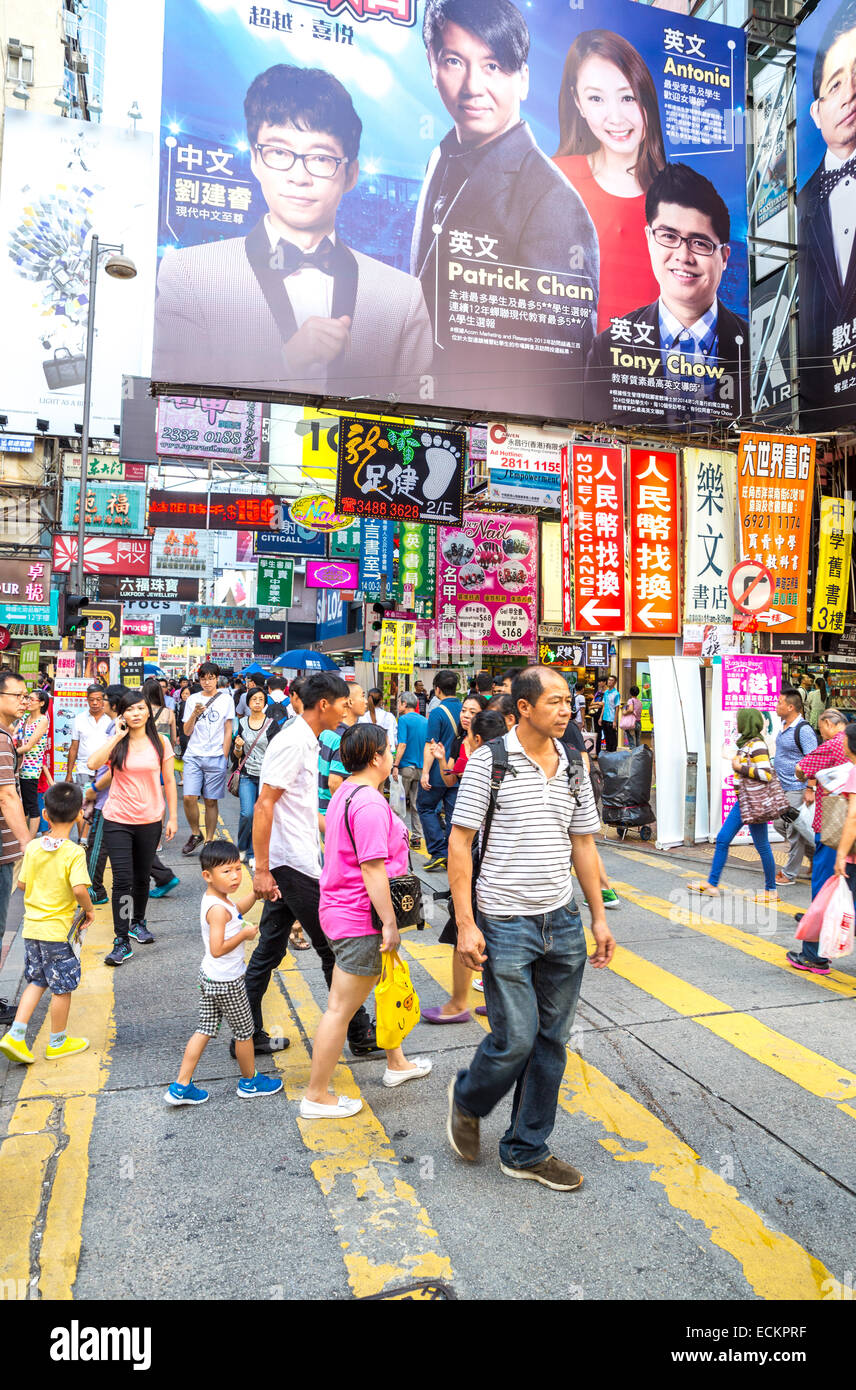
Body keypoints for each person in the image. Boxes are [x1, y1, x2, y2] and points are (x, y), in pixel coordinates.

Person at [154, 64, 433, 403]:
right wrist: (285, 363)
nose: (299, 176)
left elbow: (418, 428)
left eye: (320, 157)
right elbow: (172, 405)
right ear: (256, 160)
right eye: (280, 153)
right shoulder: (191, 275)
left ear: (351, 174)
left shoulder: (401, 298)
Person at [446, 666, 614, 1189]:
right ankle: (469, 1097)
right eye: (556, 702)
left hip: (561, 921)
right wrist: (468, 925)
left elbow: (583, 843)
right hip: (504, 921)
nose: (567, 710)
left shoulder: (572, 767)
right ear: (523, 708)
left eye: (569, 702)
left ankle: (525, 1148)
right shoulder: (487, 765)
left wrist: (599, 916)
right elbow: (459, 843)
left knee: (552, 1042)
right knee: (516, 1038)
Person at [412, 0, 599, 418]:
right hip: (432, 415)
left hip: (502, 441)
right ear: (431, 65)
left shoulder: (553, 202)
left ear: (524, 80)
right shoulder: (440, 158)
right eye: (454, 61)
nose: (473, 86)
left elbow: (561, 373)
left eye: (494, 66)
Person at [300, 724, 432, 1118]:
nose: (392, 755)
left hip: (343, 908)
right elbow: (373, 869)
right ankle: (316, 1095)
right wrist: (389, 924)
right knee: (340, 1008)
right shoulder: (370, 804)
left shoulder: (347, 791)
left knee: (383, 985)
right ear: (376, 756)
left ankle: (397, 1062)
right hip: (360, 917)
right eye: (388, 749)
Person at [246, 671, 380, 1058]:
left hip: (297, 859)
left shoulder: (308, 739)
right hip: (292, 866)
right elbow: (264, 805)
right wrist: (262, 869)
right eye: (343, 703)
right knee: (332, 948)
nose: (347, 710)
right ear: (324, 704)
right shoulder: (293, 742)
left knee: (269, 951)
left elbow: (299, 809)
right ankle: (359, 1033)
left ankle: (247, 1031)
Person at [586, 162, 750, 426]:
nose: (683, 256)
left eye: (699, 243)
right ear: (649, 239)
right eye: (669, 237)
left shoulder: (756, 350)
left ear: (724, 257)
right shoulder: (608, 349)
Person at [553, 29, 664, 331]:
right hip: (565, 370)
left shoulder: (678, 198)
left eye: (627, 97)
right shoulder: (554, 179)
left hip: (650, 371)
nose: (616, 117)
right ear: (578, 102)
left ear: (646, 97)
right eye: (596, 98)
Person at [164, 841, 282, 1105]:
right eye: (226, 872)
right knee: (244, 1033)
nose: (235, 877)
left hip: (209, 978)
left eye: (237, 869)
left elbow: (236, 911)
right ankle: (250, 1081)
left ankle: (181, 1086)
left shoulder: (218, 900)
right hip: (228, 982)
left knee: (204, 1029)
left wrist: (257, 895)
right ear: (207, 876)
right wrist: (244, 935)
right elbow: (217, 948)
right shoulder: (217, 909)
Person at [423, 706, 507, 1025]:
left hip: (482, 864)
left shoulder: (481, 765)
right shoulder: (513, 762)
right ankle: (498, 1001)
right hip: (500, 868)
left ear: (477, 738)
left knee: (465, 930)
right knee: (496, 935)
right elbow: (449, 775)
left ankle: (459, 1003)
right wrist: (447, 759)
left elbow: (459, 840)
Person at [0, 782, 94, 1066]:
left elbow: (22, 883)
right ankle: (57, 1041)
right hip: (58, 933)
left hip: (32, 929)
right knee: (62, 988)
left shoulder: (33, 848)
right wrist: (88, 911)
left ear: (44, 814)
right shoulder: (74, 853)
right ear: (79, 814)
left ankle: (16, 1034)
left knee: (37, 980)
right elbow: (79, 889)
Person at [796, 0, 856, 430]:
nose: (850, 92)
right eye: (835, 85)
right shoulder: (799, 210)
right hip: (825, 425)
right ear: (816, 112)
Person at [90, 690, 178, 966]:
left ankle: (136, 921)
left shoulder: (161, 742)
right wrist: (117, 735)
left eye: (141, 708)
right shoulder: (117, 742)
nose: (136, 713)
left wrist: (172, 817)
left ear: (148, 711)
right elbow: (93, 764)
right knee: (123, 880)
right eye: (130, 710)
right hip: (117, 818)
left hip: (150, 819)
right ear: (122, 714)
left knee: (141, 879)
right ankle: (121, 939)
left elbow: (170, 781)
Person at [689, 710, 778, 903]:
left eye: (739, 721)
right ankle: (712, 884)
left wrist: (740, 768)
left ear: (747, 723)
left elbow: (766, 774)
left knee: (761, 845)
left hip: (752, 802)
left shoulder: (758, 745)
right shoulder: (747, 744)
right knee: (722, 839)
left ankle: (771, 890)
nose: (736, 724)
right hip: (744, 801)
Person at [788, 708, 850, 975]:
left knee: (824, 892)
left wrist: (808, 779)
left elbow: (801, 768)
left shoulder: (836, 744)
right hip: (848, 836)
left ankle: (814, 955)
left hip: (835, 828)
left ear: (828, 723)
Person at [181, 662, 235, 854]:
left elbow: (228, 728)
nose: (207, 682)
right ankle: (196, 833)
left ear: (216, 678)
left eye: (211, 678)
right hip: (194, 755)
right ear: (199, 679)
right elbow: (186, 731)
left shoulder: (226, 699)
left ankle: (209, 840)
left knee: (211, 800)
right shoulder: (192, 700)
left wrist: (224, 753)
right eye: (203, 678)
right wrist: (194, 714)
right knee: (189, 797)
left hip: (216, 756)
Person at [417, 670, 462, 872]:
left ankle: (438, 851)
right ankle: (454, 853)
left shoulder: (437, 713)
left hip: (438, 772)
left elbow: (431, 745)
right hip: (458, 771)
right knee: (453, 814)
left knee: (425, 807)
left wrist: (425, 772)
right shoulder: (466, 709)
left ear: (437, 689)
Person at [773, 686, 818, 887]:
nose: (776, 705)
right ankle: (817, 857)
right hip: (783, 786)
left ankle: (789, 874)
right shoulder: (783, 726)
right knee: (780, 825)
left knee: (793, 829)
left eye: (780, 702)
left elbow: (814, 759)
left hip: (797, 787)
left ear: (791, 707)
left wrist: (810, 787)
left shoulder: (804, 730)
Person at [233, 687, 273, 866]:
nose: (257, 702)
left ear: (265, 703)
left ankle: (253, 852)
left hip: (266, 776)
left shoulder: (272, 724)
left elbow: (276, 750)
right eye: (253, 699)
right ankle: (242, 846)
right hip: (247, 775)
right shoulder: (241, 723)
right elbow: (236, 755)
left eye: (260, 699)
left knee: (260, 816)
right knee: (247, 813)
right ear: (248, 703)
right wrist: (239, 747)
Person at [393, 692, 429, 848]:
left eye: (399, 702)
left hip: (406, 768)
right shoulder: (424, 721)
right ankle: (416, 838)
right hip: (421, 769)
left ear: (405, 704)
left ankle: (397, 837)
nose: (398, 705)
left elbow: (402, 745)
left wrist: (395, 765)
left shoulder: (403, 720)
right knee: (415, 805)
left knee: (399, 803)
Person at [15, 689, 50, 833]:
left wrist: (12, 752)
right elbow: (13, 733)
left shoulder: (42, 720)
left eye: (32, 699)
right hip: (20, 766)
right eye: (27, 698)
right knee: (22, 805)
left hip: (31, 768)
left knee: (31, 804)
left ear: (41, 703)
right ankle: (23, 837)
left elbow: (29, 746)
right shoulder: (25, 718)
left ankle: (29, 841)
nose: (28, 702)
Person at [65, 685, 110, 789]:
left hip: (105, 770)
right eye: (91, 700)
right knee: (85, 802)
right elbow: (74, 747)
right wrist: (69, 773)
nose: (94, 703)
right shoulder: (79, 719)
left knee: (102, 803)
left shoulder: (110, 719)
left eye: (98, 700)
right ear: (87, 700)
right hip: (84, 770)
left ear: (104, 700)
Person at [600, 675, 621, 754]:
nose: (609, 682)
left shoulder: (616, 694)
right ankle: (608, 754)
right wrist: (600, 717)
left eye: (612, 680)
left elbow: (617, 708)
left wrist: (615, 721)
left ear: (615, 682)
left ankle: (613, 755)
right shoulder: (606, 692)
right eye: (609, 680)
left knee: (612, 738)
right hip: (605, 718)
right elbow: (604, 705)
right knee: (606, 737)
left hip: (611, 719)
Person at [621, 685, 643, 750]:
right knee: (638, 740)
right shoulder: (640, 702)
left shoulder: (631, 700)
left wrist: (625, 712)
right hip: (639, 722)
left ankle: (633, 755)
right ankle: (637, 754)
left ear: (630, 692)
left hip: (632, 723)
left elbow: (630, 709)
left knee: (631, 740)